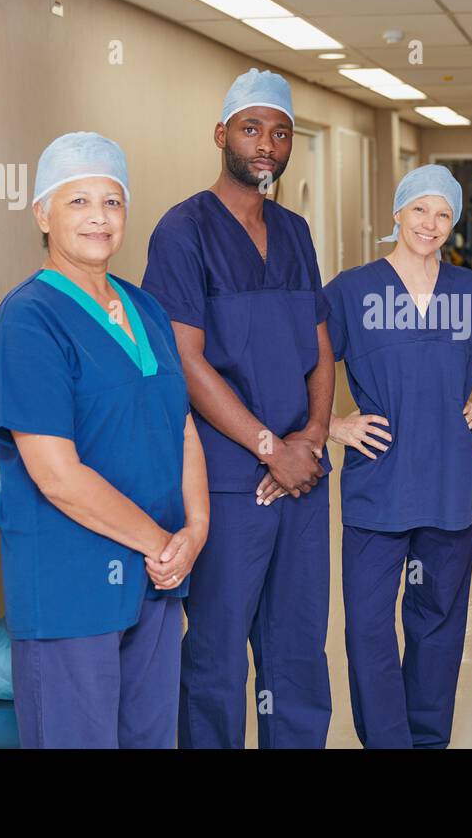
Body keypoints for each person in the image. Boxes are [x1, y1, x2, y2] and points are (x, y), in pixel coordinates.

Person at [0, 132, 209, 749]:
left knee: (150, 736)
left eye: (112, 202)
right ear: (42, 214)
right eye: (77, 201)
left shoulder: (146, 308)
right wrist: (164, 543)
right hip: (71, 586)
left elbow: (181, 423)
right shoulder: (29, 321)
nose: (98, 218)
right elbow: (56, 474)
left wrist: (196, 530)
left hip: (159, 577)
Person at [142, 69, 335, 749]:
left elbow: (320, 344)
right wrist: (267, 447)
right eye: (252, 128)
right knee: (218, 654)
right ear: (221, 135)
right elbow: (186, 360)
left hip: (303, 476)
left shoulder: (295, 232)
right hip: (228, 476)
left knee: (298, 651)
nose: (267, 144)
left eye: (280, 132)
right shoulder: (182, 232)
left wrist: (310, 437)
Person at [323, 165, 472, 748]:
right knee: (368, 627)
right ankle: (387, 740)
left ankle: (428, 739)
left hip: (451, 487)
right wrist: (333, 425)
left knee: (439, 622)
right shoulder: (352, 291)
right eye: (419, 210)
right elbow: (304, 365)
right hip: (377, 488)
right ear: (397, 214)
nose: (430, 224)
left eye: (443, 214)